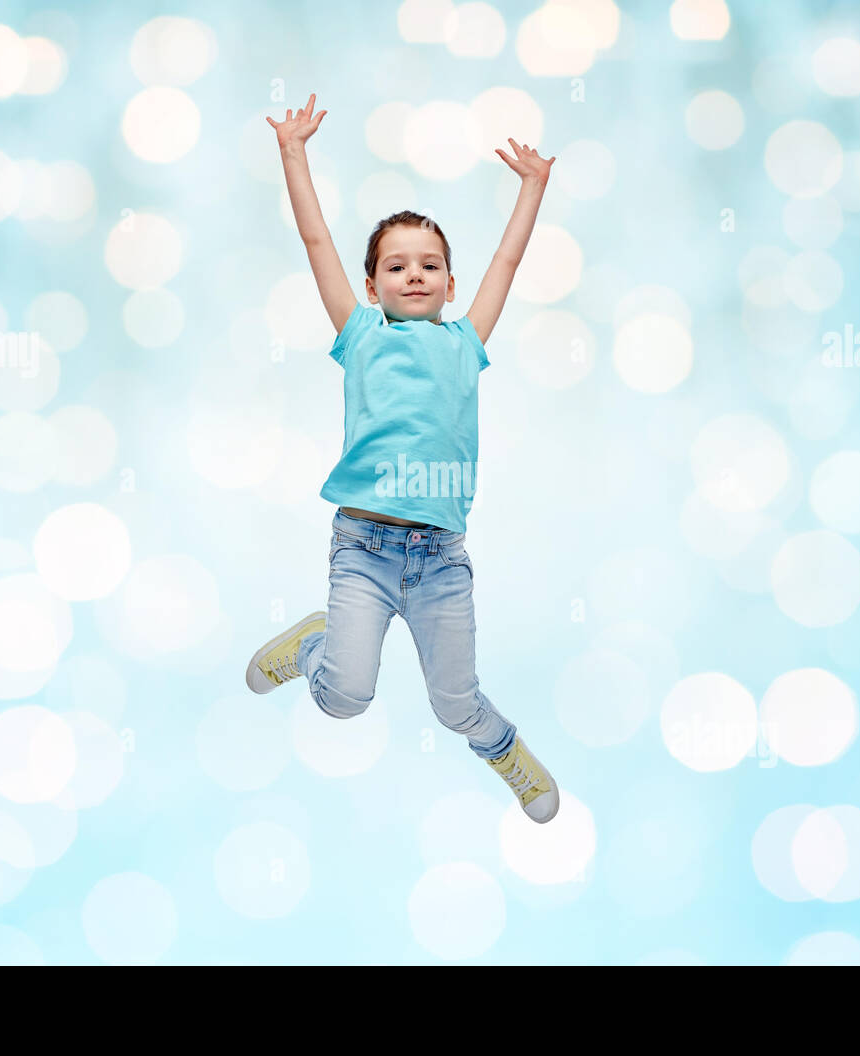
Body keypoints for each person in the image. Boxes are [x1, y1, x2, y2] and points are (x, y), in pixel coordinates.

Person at [247, 93, 559, 823]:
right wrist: (293, 151)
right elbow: (317, 242)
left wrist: (533, 187)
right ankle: (315, 642)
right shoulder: (361, 337)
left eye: (430, 265)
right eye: (396, 265)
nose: (413, 274)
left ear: (451, 285)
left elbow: (509, 260)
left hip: (441, 561)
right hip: (363, 549)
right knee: (346, 699)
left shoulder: (466, 341)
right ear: (371, 286)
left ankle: (506, 749)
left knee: (456, 705)